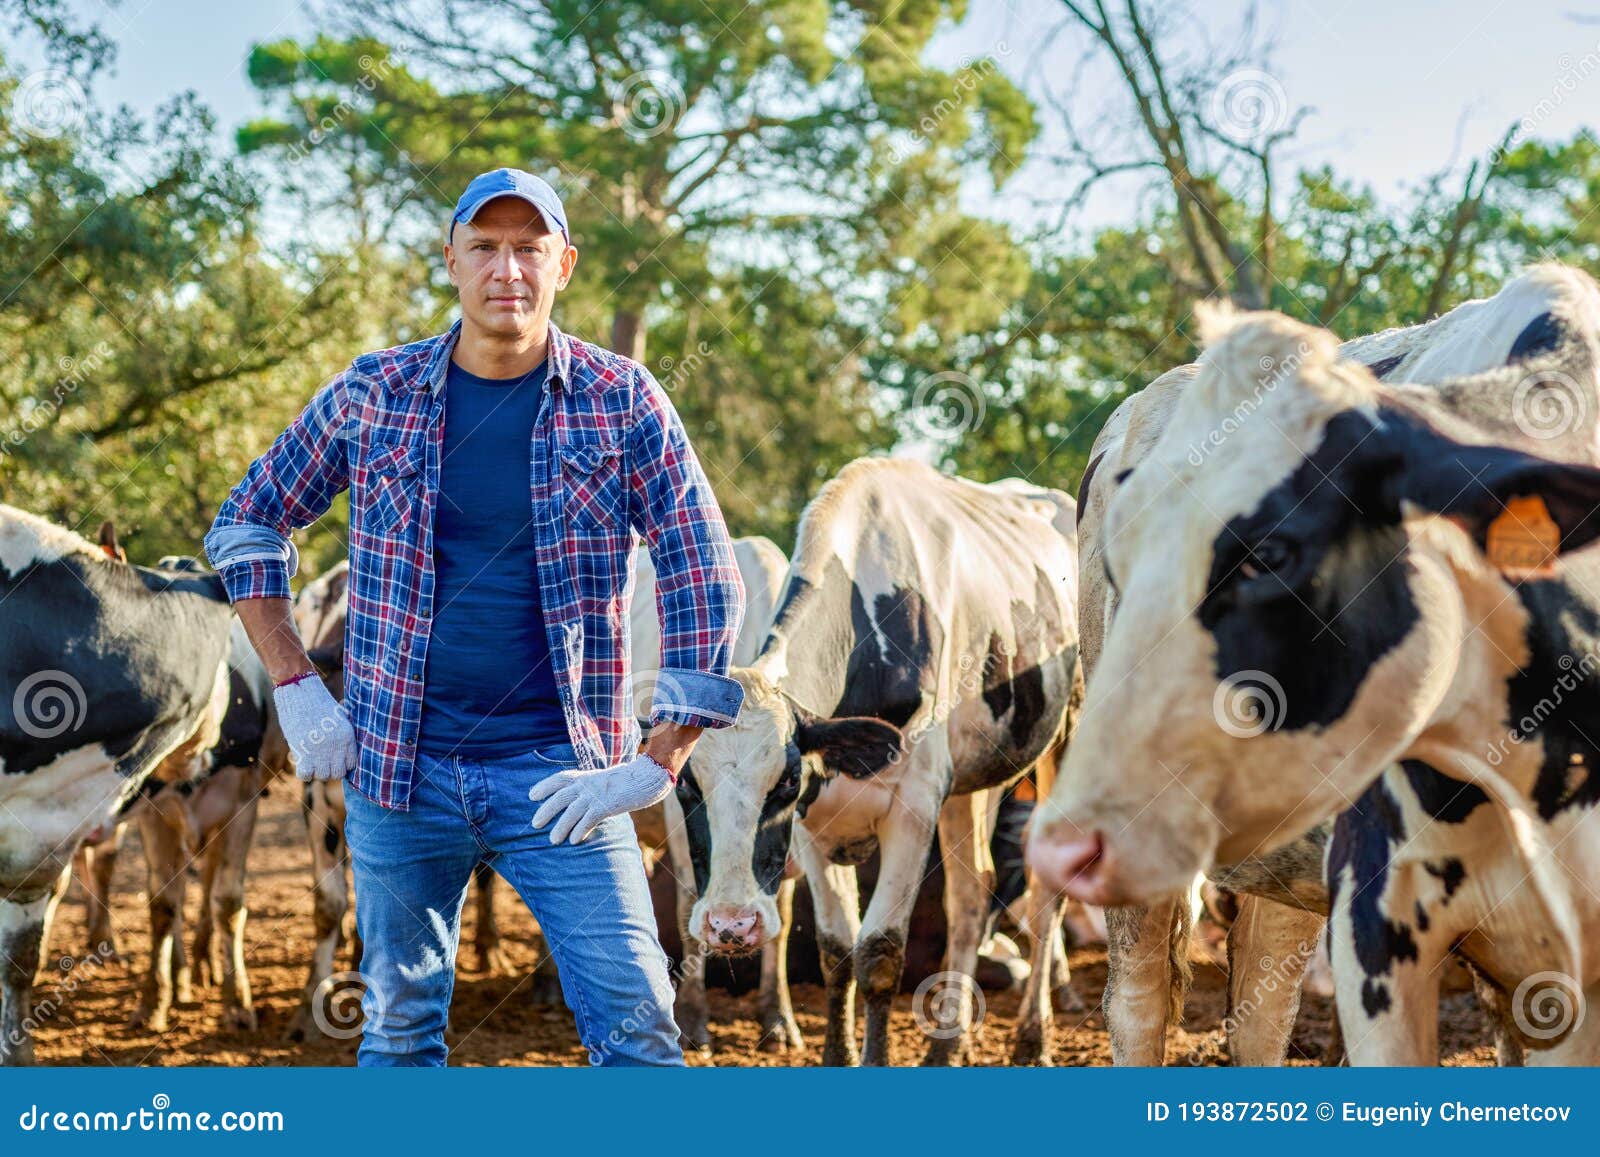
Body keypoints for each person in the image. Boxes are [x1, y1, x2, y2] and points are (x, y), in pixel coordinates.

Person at [205, 167, 745, 1067]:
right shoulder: (375, 393)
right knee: (399, 1030)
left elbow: (701, 562)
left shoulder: (623, 400)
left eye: (529, 249)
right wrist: (298, 686)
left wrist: (657, 762)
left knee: (639, 1026)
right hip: (397, 771)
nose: (508, 271)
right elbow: (248, 520)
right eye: (485, 248)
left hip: (567, 780)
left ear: (562, 265)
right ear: (450, 261)